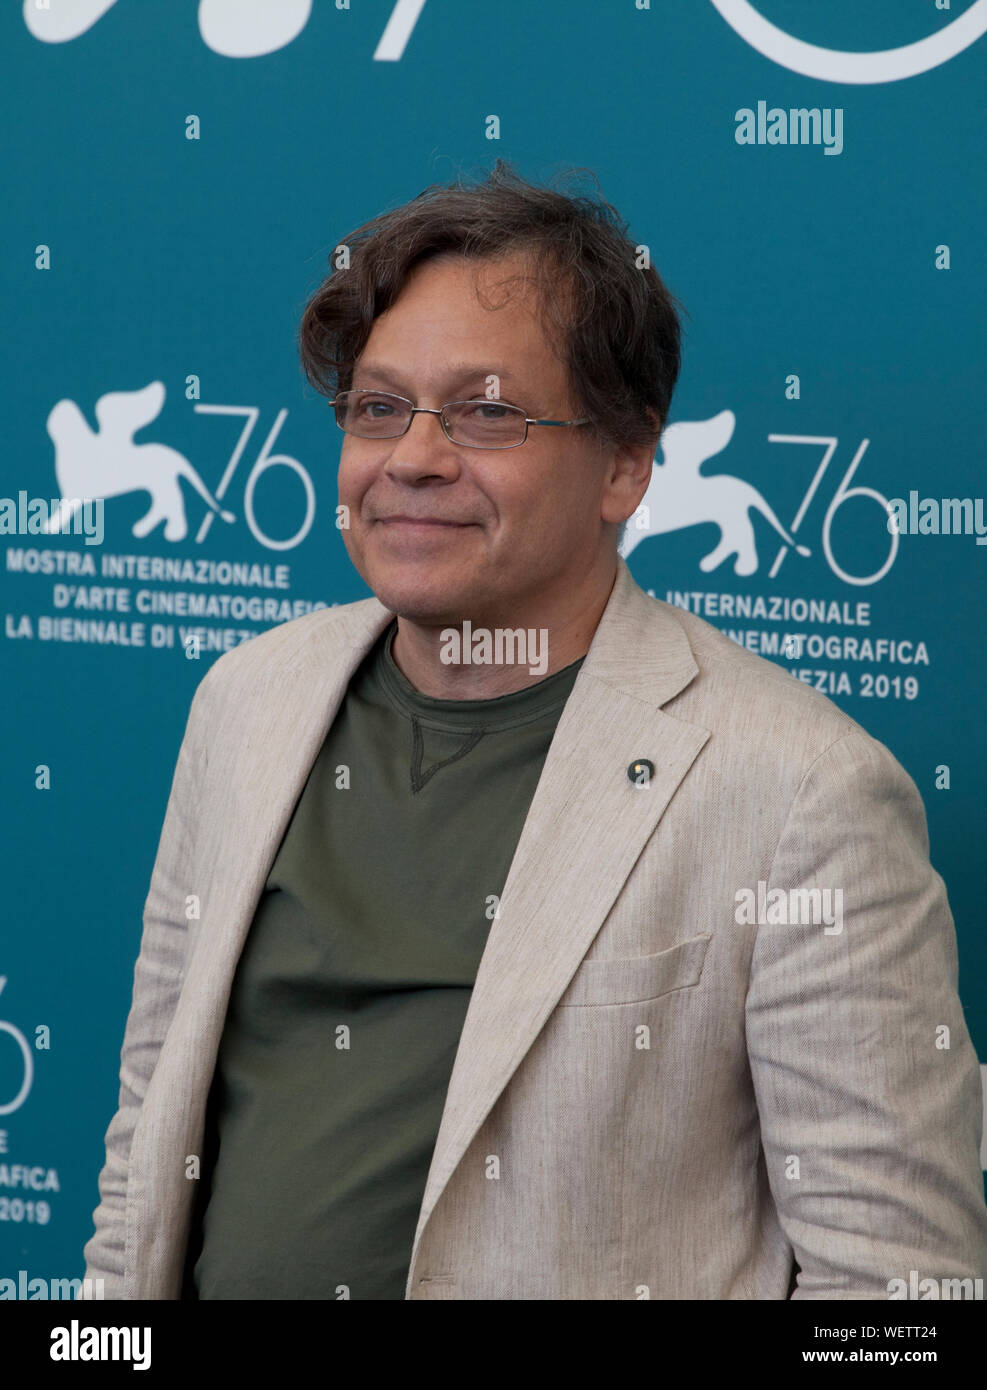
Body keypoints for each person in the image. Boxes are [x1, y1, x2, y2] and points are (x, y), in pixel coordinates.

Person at [81, 161, 987, 1300]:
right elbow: (146, 1153)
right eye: (378, 407)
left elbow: (901, 1295)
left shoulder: (804, 792)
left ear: (624, 463)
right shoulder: (243, 701)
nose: (413, 457)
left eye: (487, 411)